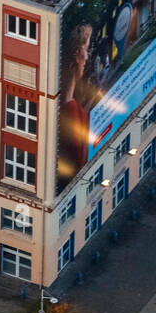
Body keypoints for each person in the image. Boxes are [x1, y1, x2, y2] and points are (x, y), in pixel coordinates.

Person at [58, 22, 94, 188]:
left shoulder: (66, 105)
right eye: (86, 49)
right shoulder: (71, 113)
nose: (87, 57)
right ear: (77, 53)